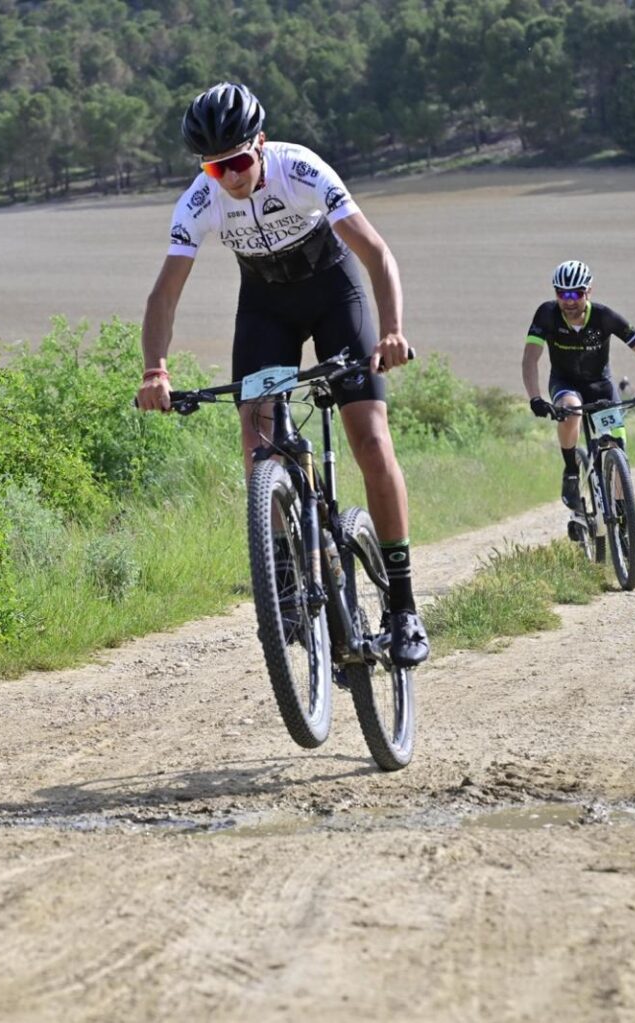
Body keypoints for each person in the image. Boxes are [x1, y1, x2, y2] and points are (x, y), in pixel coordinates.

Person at [135, 82, 428, 667]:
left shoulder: (300, 168)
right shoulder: (200, 199)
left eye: (240, 162)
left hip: (334, 296)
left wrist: (392, 330)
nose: (232, 177)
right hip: (266, 308)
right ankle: (287, 579)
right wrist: (154, 370)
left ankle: (403, 604)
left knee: (370, 440)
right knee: (257, 441)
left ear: (260, 145)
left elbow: (376, 253)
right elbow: (165, 294)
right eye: (218, 169)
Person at [521, 260, 635, 512]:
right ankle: (570, 471)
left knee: (616, 447)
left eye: (575, 293)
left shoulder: (604, 317)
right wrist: (535, 398)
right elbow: (530, 358)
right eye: (561, 293)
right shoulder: (546, 314)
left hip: (600, 386)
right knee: (571, 410)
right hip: (565, 382)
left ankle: (622, 515)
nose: (568, 301)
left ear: (588, 291)